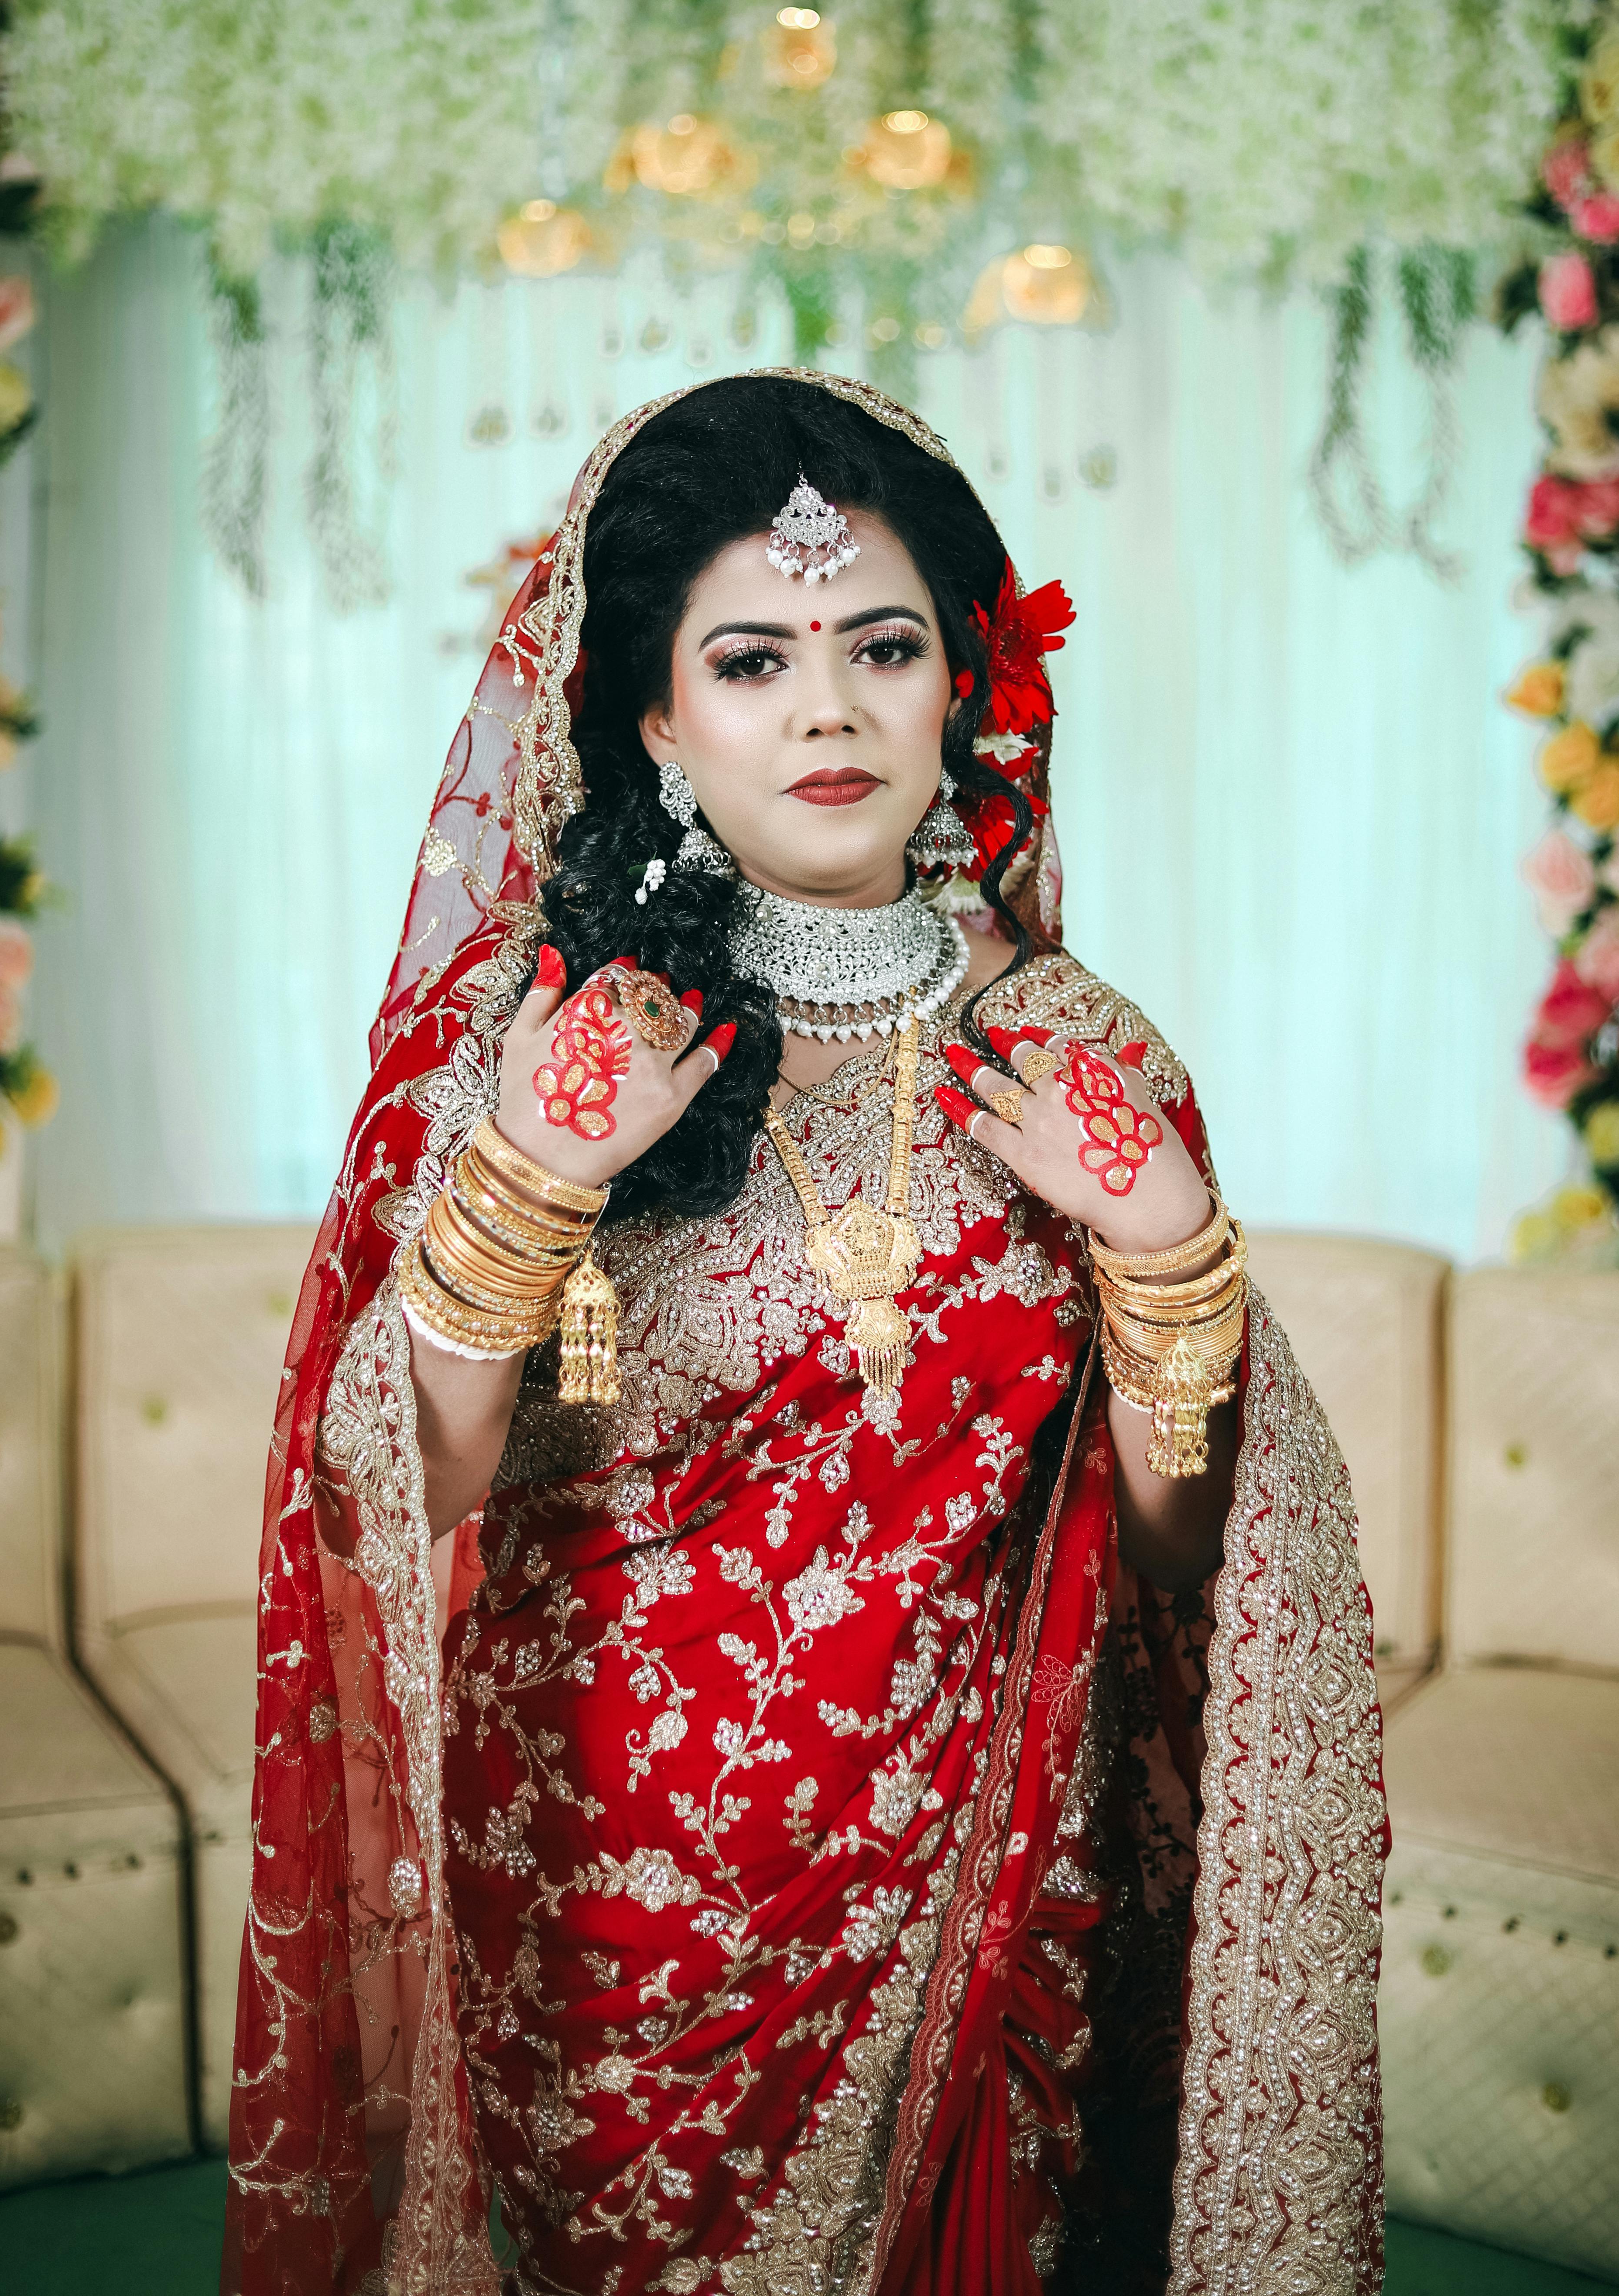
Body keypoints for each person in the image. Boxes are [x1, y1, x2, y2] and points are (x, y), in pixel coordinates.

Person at [225, 372, 1384, 2296]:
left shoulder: (1083, 1060)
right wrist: (531, 1172)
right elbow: (387, 1478)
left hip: (982, 1894)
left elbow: (1181, 1557)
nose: (829, 709)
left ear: (964, 688)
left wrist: (1172, 1249)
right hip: (617, 1905)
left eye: (882, 648)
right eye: (754, 660)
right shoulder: (537, 1042)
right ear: (658, 720)